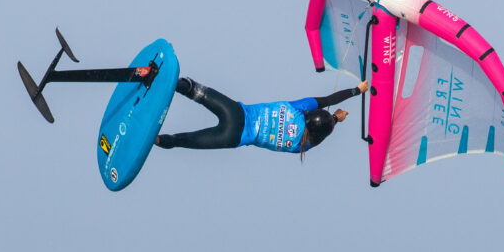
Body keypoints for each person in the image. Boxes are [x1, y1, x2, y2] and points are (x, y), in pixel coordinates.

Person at [155, 77, 369, 157]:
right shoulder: (300, 146)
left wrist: (356, 90)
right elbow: (319, 135)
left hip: (236, 112)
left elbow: (326, 99)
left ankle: (168, 83)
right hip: (232, 138)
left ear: (309, 114)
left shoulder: (297, 109)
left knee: (195, 91)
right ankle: (157, 140)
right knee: (184, 141)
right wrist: (336, 122)